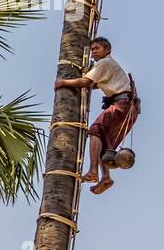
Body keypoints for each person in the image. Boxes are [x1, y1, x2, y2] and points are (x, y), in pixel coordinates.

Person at [54, 37, 138, 195]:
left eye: (97, 48)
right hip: (129, 108)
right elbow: (93, 84)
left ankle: (93, 170)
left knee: (95, 130)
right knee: (104, 143)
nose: (93, 51)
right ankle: (105, 177)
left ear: (107, 50)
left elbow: (85, 82)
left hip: (122, 105)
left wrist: (63, 82)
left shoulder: (105, 63)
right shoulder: (107, 65)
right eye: (92, 49)